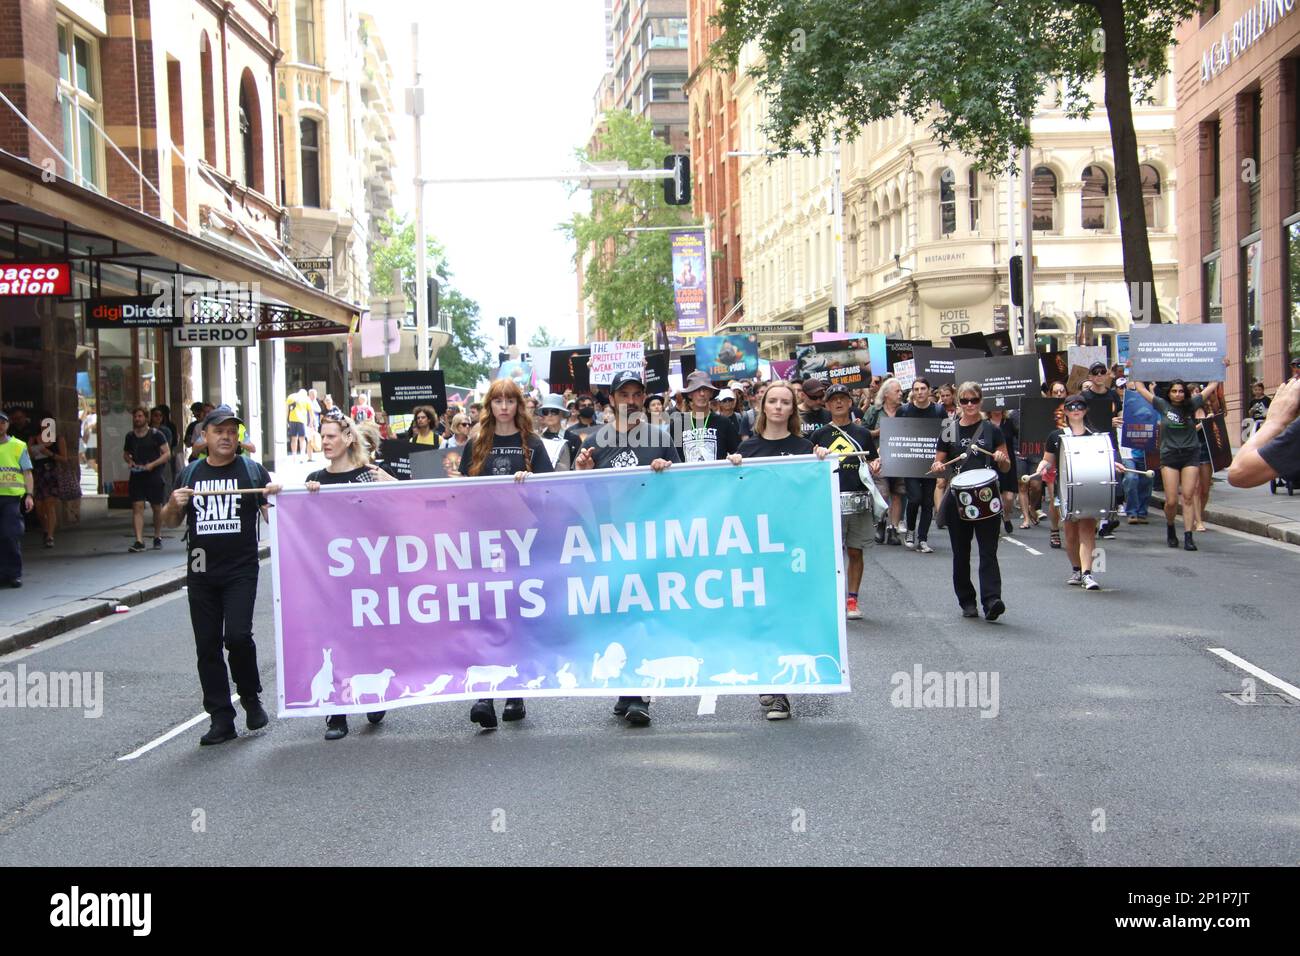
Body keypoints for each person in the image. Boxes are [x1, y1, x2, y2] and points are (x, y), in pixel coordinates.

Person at [162, 405, 280, 745]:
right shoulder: (190, 474)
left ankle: (250, 696)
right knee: (207, 646)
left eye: (232, 431)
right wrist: (174, 503)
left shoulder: (252, 471)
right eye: (219, 431)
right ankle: (220, 718)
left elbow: (275, 519)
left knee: (238, 638)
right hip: (200, 569)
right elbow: (170, 522)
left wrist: (276, 499)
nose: (227, 436)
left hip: (240, 569)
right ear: (205, 437)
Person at [574, 369, 679, 726]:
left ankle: (638, 694)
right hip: (610, 541)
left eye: (637, 394)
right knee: (619, 615)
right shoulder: (595, 440)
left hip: (649, 540)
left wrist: (666, 472)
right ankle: (627, 688)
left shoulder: (661, 438)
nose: (631, 401)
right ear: (612, 399)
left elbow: (682, 489)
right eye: (624, 394)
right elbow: (584, 497)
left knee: (643, 614)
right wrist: (580, 471)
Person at [729, 381, 830, 720]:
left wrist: (820, 463)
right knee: (760, 614)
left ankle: (779, 694)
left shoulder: (805, 447)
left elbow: (813, 493)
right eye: (772, 401)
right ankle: (768, 677)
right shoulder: (749, 448)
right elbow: (735, 498)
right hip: (757, 544)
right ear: (763, 407)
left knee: (786, 613)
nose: (778, 407)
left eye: (785, 402)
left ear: (793, 409)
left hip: (791, 544)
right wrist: (733, 471)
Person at [459, 378, 554, 729]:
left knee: (515, 615)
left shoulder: (532, 444)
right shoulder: (476, 444)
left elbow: (550, 493)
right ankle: (485, 693)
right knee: (486, 614)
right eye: (496, 400)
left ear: (518, 405)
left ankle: (515, 690)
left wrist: (528, 488)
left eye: (509, 401)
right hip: (486, 543)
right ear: (489, 406)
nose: (503, 407)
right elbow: (461, 496)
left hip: (523, 543)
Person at [305, 414, 398, 740]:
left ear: (348, 439)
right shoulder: (315, 478)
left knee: (368, 639)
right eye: (323, 436)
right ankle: (336, 712)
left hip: (367, 575)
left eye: (332, 436)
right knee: (334, 642)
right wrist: (304, 497)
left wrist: (388, 481)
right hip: (330, 580)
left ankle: (373, 695)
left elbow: (403, 507)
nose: (326, 441)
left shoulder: (368, 476)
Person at [928, 382, 1010, 621]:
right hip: (958, 496)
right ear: (958, 402)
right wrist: (938, 466)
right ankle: (967, 601)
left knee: (988, 551)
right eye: (964, 401)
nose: (970, 405)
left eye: (974, 400)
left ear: (981, 401)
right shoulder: (949, 430)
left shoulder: (991, 429)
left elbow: (1006, 467)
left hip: (985, 496)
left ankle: (992, 600)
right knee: (961, 552)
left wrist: (1001, 458)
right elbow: (939, 465)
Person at [1129, 363, 1224, 552]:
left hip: (1190, 455)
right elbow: (1139, 387)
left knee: (1188, 496)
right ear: (1169, 393)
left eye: (1181, 391)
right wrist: (1133, 368)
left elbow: (1213, 385)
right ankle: (1171, 526)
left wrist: (1221, 366)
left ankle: (1188, 536)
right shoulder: (1162, 404)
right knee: (1171, 501)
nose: (1178, 394)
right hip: (1169, 456)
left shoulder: (1193, 404)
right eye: (1174, 391)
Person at [810, 384, 879, 620]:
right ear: (827, 405)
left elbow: (873, 462)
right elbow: (811, 468)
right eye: (833, 400)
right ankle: (831, 599)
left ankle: (852, 600)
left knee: (855, 551)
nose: (838, 403)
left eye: (843, 398)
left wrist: (875, 466)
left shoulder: (862, 433)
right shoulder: (819, 435)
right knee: (831, 553)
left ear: (850, 402)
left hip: (857, 498)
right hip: (829, 500)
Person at [1032, 395, 1110, 591]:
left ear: (1085, 410)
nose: (1076, 409)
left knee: (1087, 530)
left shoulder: (1095, 436)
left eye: (1080, 406)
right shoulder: (1056, 436)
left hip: (1089, 489)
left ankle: (1088, 574)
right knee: (1070, 535)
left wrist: (1114, 464)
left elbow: (1104, 460)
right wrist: (1041, 466)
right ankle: (1076, 569)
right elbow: (1047, 459)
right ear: (1065, 411)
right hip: (1065, 490)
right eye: (1071, 406)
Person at [897, 377, 945, 552]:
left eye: (923, 388)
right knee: (915, 497)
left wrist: (943, 462)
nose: (919, 392)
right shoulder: (904, 411)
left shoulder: (939, 411)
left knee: (927, 502)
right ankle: (910, 530)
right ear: (912, 392)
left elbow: (947, 436)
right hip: (910, 463)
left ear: (929, 390)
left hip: (931, 463)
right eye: (916, 389)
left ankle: (923, 539)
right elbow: (896, 436)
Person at [1229, 377, 1300, 487]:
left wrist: (1274, 422)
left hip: (1265, 425)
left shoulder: (1266, 400)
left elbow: (1238, 473)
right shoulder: (1253, 401)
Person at [123, 405, 171, 552]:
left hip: (154, 475)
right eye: (135, 416)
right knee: (137, 506)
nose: (137, 419)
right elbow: (126, 453)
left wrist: (153, 464)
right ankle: (139, 540)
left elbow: (167, 453)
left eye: (140, 416)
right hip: (137, 474)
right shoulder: (130, 436)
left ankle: (157, 536)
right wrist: (129, 461)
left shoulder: (156, 434)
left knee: (157, 507)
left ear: (146, 418)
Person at [864, 378, 906, 545]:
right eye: (897, 391)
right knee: (883, 493)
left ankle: (893, 529)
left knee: (897, 494)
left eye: (901, 391)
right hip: (879, 460)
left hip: (900, 459)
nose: (900, 393)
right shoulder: (875, 410)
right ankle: (881, 523)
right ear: (887, 394)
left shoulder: (905, 411)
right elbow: (863, 431)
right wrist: (878, 432)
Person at [0, 410, 35, 587]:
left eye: (2, 422)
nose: (0, 425)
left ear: (7, 425)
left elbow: (27, 473)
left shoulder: (18, 445)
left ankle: (13, 574)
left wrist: (29, 495)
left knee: (9, 535)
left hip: (11, 499)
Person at [673, 370, 740, 462]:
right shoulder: (678, 425)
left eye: (705, 389)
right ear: (689, 394)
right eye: (697, 389)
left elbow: (736, 452)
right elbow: (670, 456)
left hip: (717, 475)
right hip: (687, 476)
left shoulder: (724, 423)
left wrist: (736, 457)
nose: (702, 394)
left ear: (711, 393)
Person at [27, 410, 69, 549]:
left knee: (50, 504)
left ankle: (50, 536)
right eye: (42, 421)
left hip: (51, 472)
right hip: (38, 473)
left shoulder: (58, 438)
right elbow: (27, 457)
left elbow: (64, 459)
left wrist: (49, 453)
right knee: (39, 506)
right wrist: (33, 449)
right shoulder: (33, 438)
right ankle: (46, 529)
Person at [986, 404, 1019, 535]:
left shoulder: (1009, 422)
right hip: (990, 462)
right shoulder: (985, 424)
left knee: (1009, 497)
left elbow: (1021, 436)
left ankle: (1006, 516)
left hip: (1007, 461)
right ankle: (995, 521)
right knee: (993, 494)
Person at [538, 393, 580, 468]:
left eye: (554, 411)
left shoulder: (574, 439)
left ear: (562, 413)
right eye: (545, 412)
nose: (550, 415)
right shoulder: (537, 440)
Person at [286, 388, 311, 459]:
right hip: (302, 420)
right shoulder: (306, 399)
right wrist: (311, 422)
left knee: (294, 438)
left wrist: (286, 420)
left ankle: (294, 455)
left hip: (292, 420)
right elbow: (310, 411)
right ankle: (302, 454)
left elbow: (287, 409)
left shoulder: (291, 397)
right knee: (302, 438)